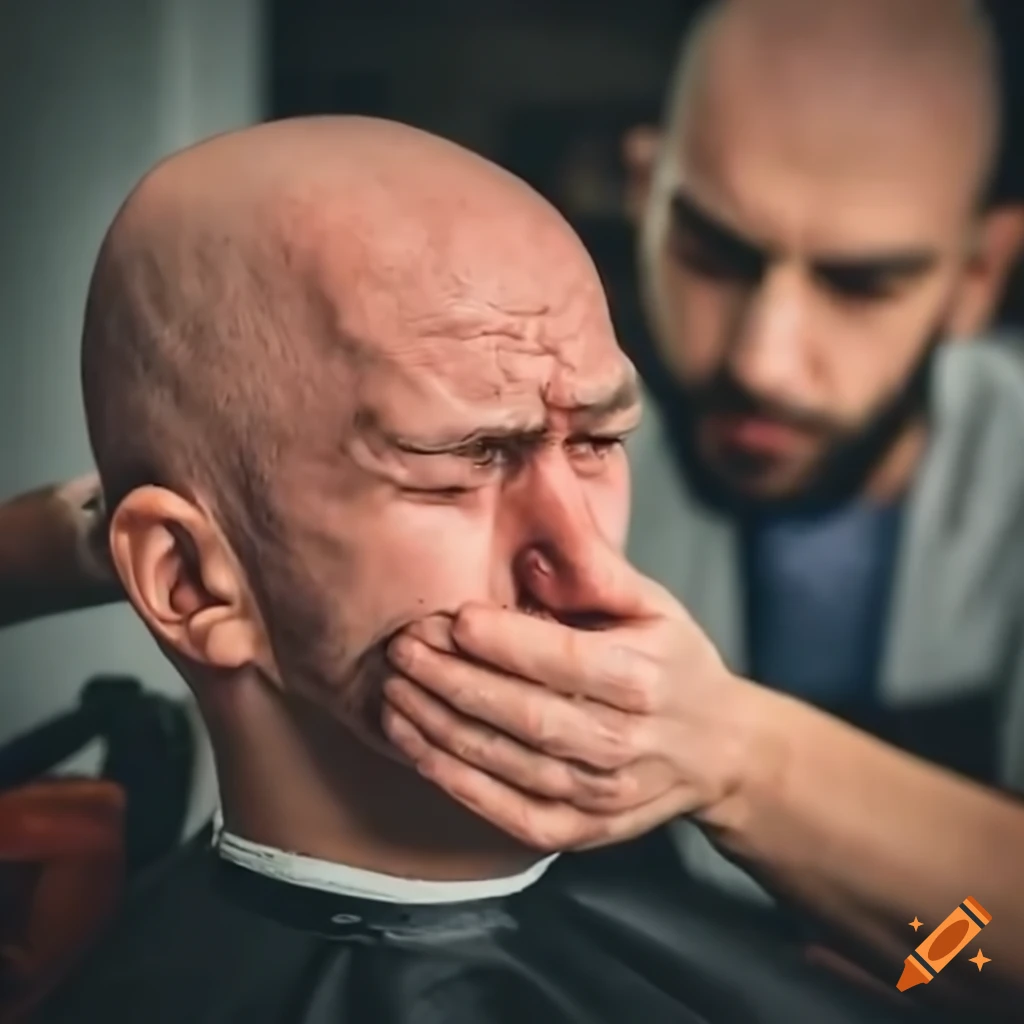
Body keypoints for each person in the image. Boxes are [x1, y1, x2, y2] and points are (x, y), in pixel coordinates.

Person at [30, 116, 920, 1024]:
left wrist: (930, 973)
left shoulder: (759, 907)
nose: (580, 556)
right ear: (190, 579)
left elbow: (964, 946)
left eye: (600, 442)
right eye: (468, 458)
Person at [369, 0, 1024, 1016]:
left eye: (860, 285)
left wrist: (924, 965)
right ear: (646, 189)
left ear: (977, 274)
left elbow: (995, 946)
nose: (762, 360)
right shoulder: (539, 451)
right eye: (715, 254)